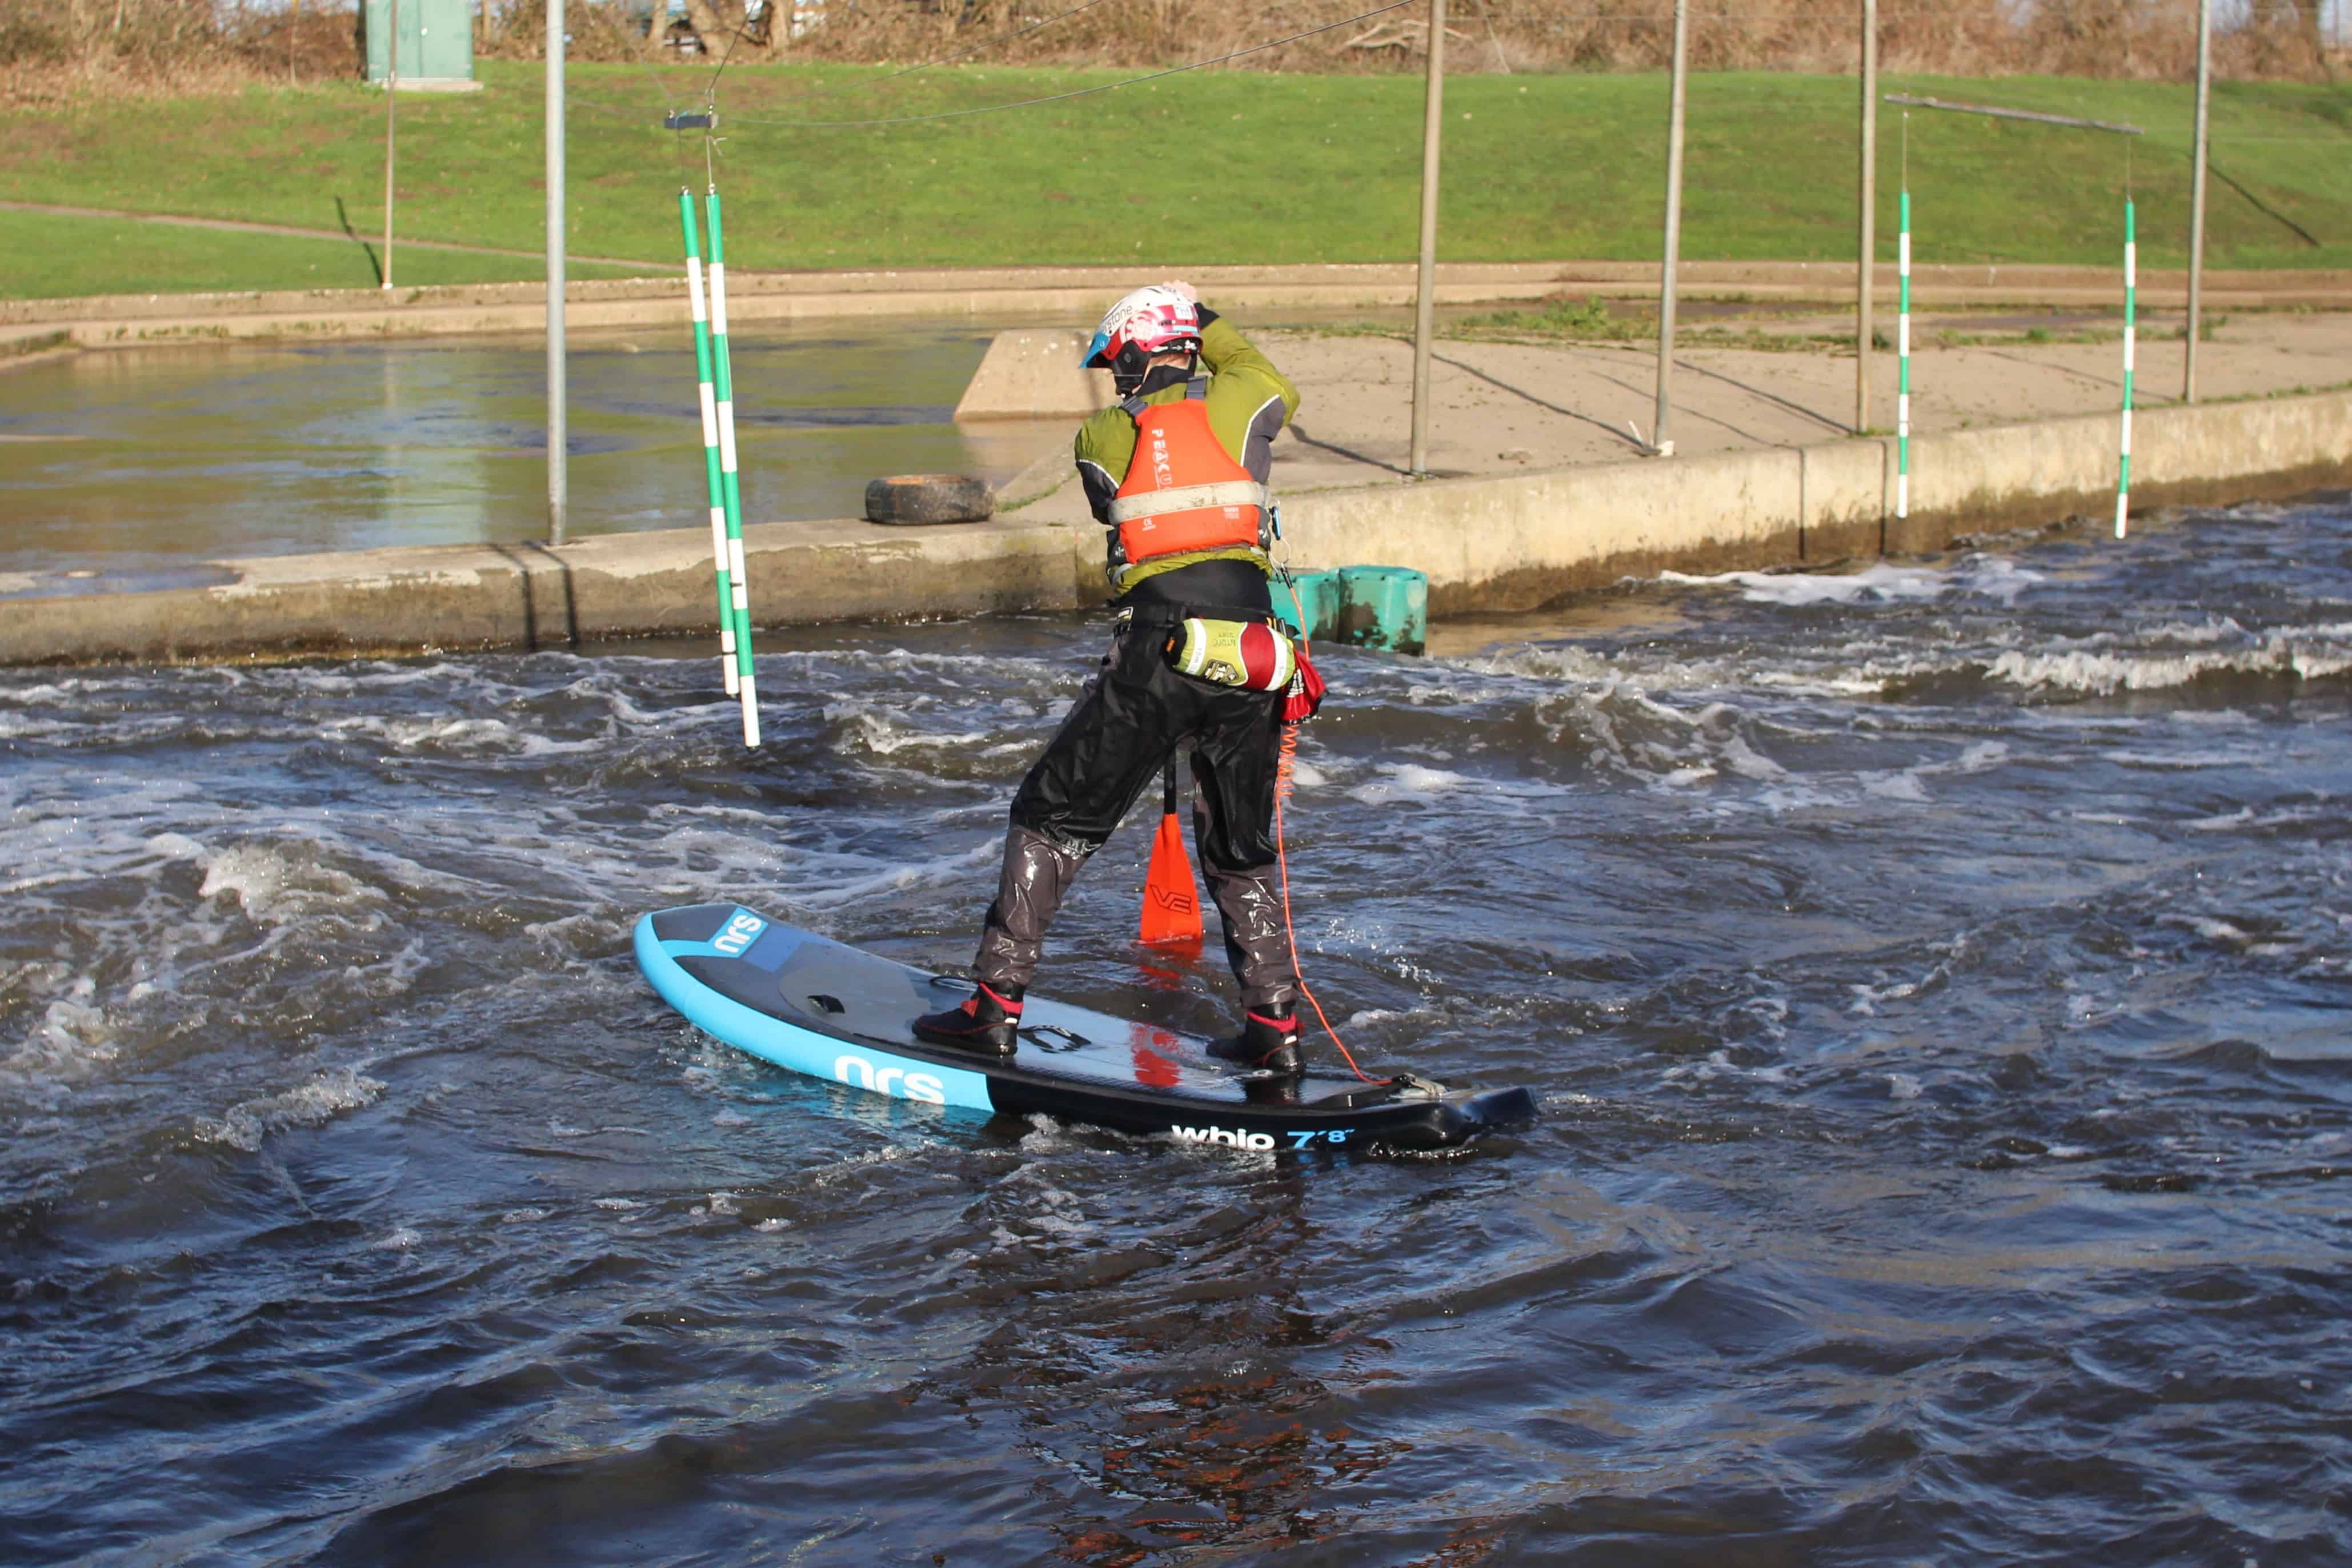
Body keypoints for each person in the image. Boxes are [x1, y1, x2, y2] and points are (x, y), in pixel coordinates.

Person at [914, 282, 1313, 1076]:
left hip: (1158, 648)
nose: (1113, 377)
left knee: (1050, 812)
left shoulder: (1101, 433)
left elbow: (1114, 506)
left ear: (1132, 353)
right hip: (1259, 651)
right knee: (1240, 843)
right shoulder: (1247, 399)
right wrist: (1202, 320)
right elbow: (1266, 376)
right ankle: (1275, 1029)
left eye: (1116, 361)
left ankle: (992, 1008)